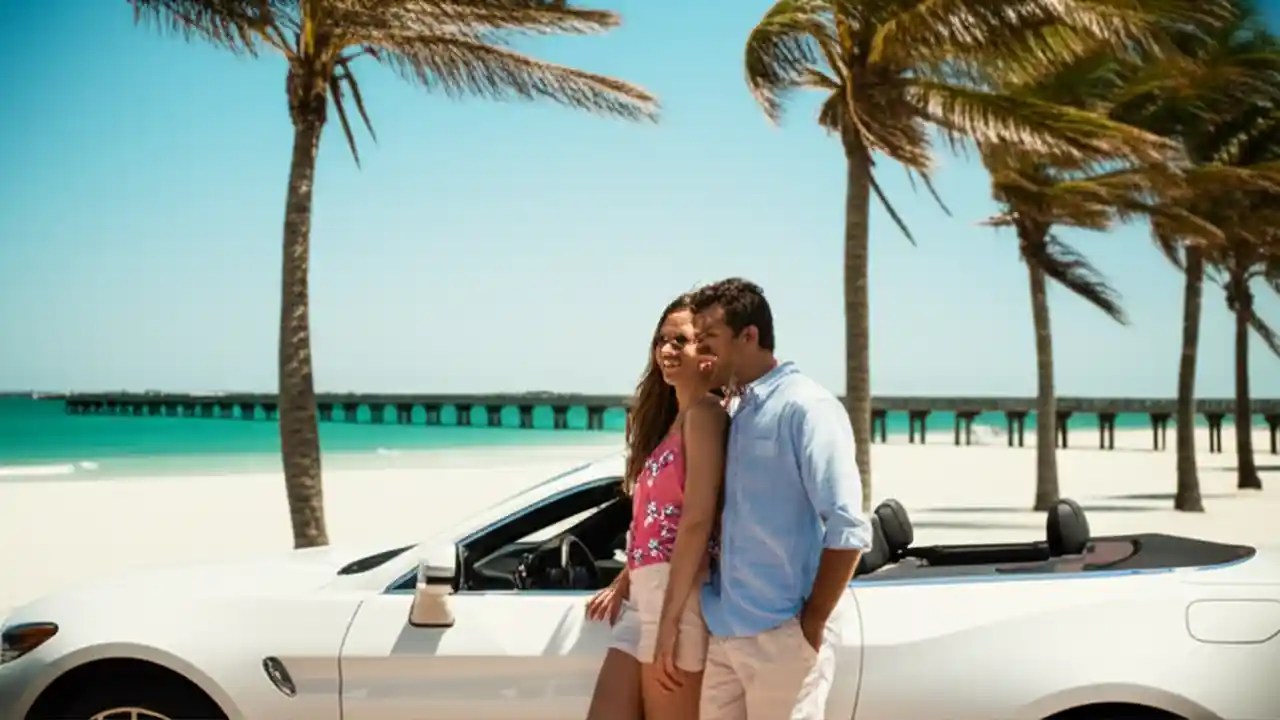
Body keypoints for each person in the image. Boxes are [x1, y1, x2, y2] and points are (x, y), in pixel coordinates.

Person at [689, 277, 873, 720]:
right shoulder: (736, 410)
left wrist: (810, 625)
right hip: (726, 631)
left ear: (748, 336)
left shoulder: (806, 407)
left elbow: (848, 526)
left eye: (709, 339)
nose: (700, 352)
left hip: (782, 634)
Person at [585, 292, 729, 720]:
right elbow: (654, 520)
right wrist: (624, 580)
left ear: (707, 354)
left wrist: (668, 623)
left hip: (678, 600)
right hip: (644, 598)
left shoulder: (707, 414)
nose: (667, 349)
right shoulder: (672, 423)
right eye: (662, 340)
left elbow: (698, 520)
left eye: (680, 340)